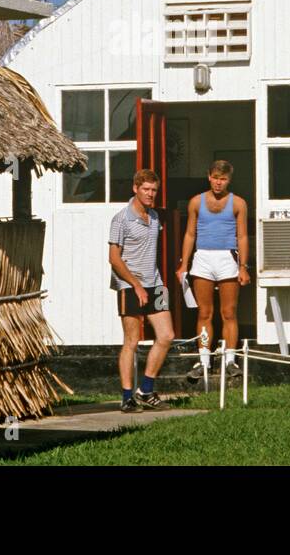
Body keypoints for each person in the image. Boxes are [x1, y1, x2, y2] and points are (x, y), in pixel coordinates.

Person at [176, 160, 249, 382]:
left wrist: (243, 267)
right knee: (204, 313)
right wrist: (184, 264)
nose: (219, 182)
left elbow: (242, 236)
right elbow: (190, 234)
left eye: (223, 179)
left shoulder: (238, 203)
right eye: (216, 178)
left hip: (227, 257)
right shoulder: (196, 202)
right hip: (203, 257)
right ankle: (204, 360)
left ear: (229, 180)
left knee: (228, 312)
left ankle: (230, 360)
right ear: (209, 177)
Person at [108, 169, 175, 412]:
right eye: (145, 189)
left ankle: (146, 389)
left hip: (154, 283)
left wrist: (152, 284)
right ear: (135, 189)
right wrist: (135, 285)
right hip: (129, 285)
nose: (150, 194)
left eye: (154, 190)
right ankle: (127, 396)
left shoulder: (155, 217)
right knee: (132, 341)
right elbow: (114, 258)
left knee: (166, 335)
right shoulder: (121, 219)